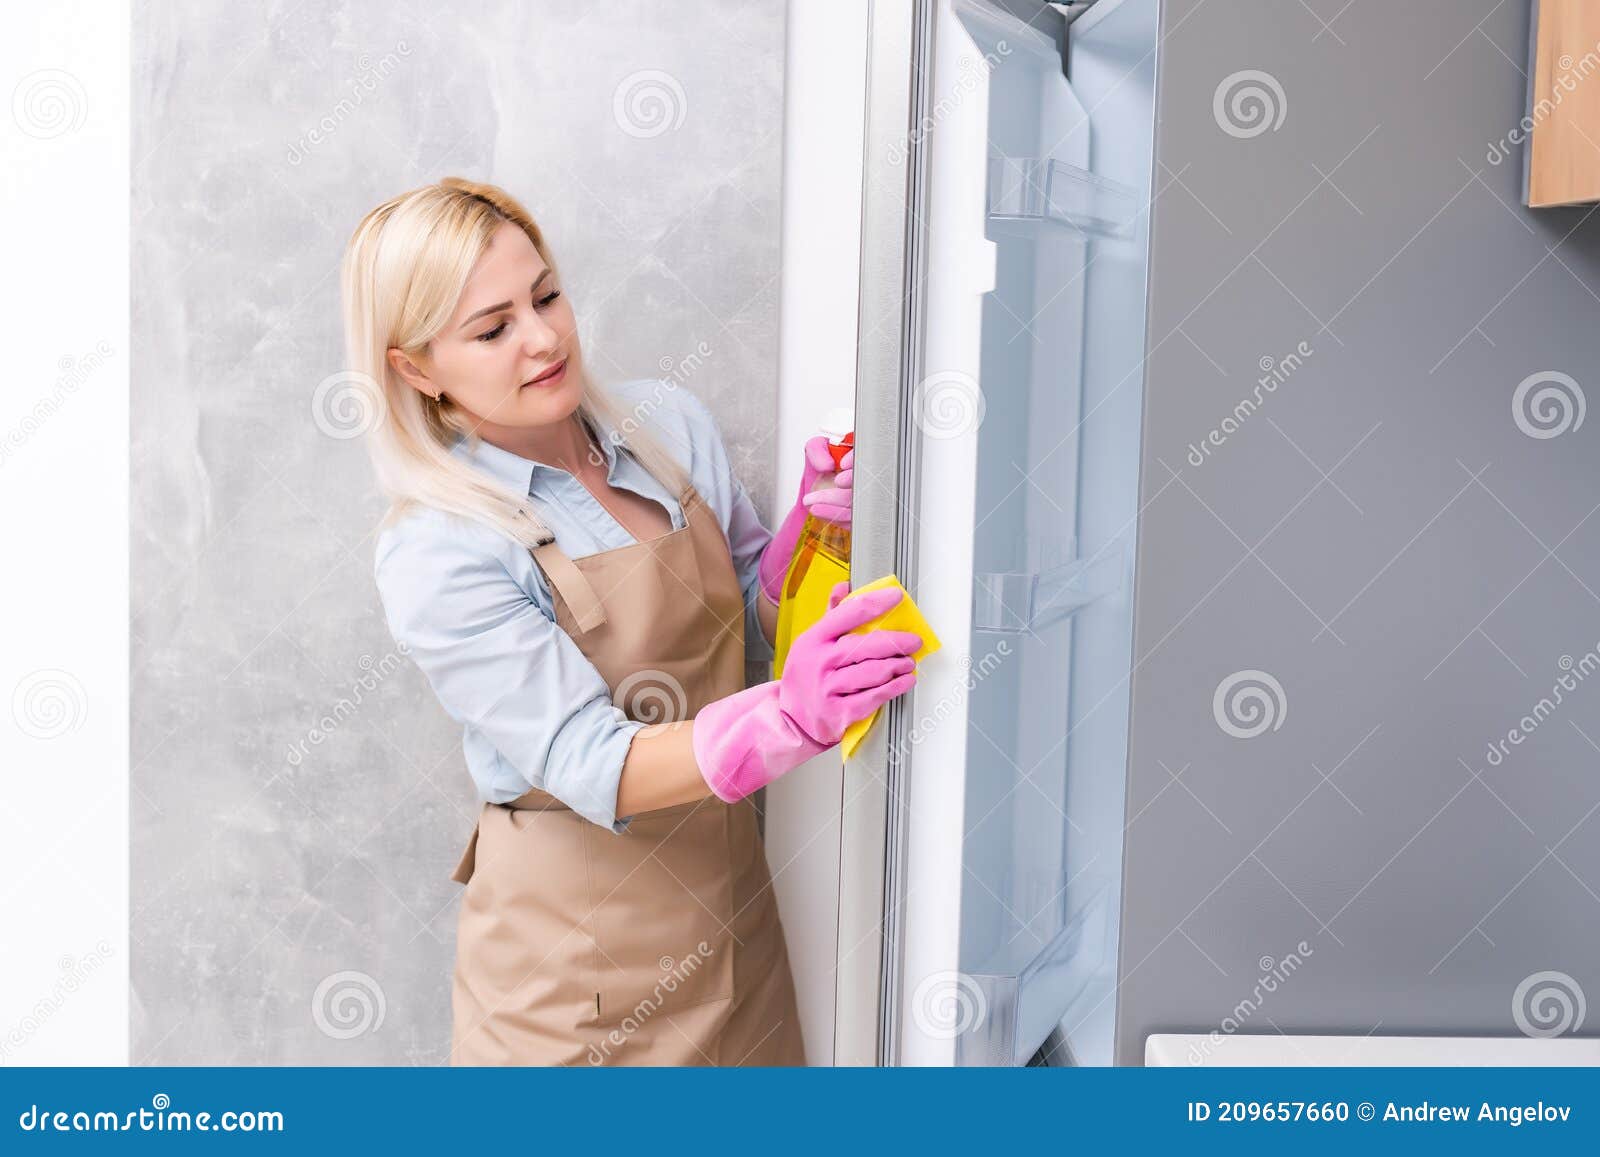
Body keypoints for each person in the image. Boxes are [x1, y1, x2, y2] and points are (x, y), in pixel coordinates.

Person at [342, 177, 922, 1065]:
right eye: (492, 329)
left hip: (730, 920)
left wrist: (807, 544)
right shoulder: (439, 549)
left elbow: (744, 625)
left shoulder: (667, 425)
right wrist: (793, 717)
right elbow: (589, 758)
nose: (543, 339)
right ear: (415, 367)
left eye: (546, 295)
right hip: (572, 978)